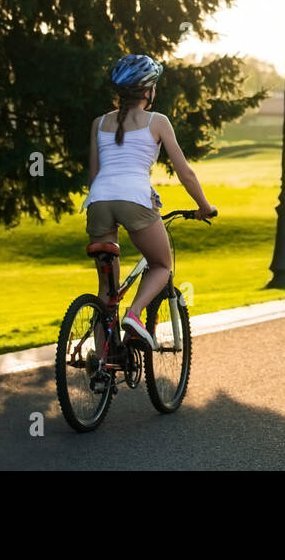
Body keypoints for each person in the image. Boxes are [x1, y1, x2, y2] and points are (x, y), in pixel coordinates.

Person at [84, 54, 216, 351]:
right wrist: (204, 206)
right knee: (161, 264)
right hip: (135, 199)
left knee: (106, 291)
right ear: (148, 90)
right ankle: (134, 314)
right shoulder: (158, 121)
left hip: (99, 202)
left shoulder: (98, 123)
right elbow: (185, 172)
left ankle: (104, 362)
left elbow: (93, 176)